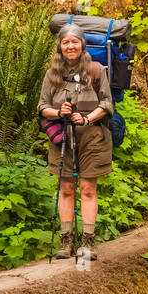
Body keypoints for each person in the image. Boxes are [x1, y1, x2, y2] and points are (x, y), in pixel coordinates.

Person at [38, 24, 113, 260]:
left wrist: (87, 118)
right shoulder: (52, 74)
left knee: (88, 188)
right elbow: (42, 107)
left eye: (75, 42)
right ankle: (66, 241)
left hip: (93, 136)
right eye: (65, 42)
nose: (70, 46)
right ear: (59, 46)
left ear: (82, 44)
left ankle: (88, 242)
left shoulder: (97, 70)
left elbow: (107, 104)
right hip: (62, 137)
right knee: (66, 188)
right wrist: (59, 112)